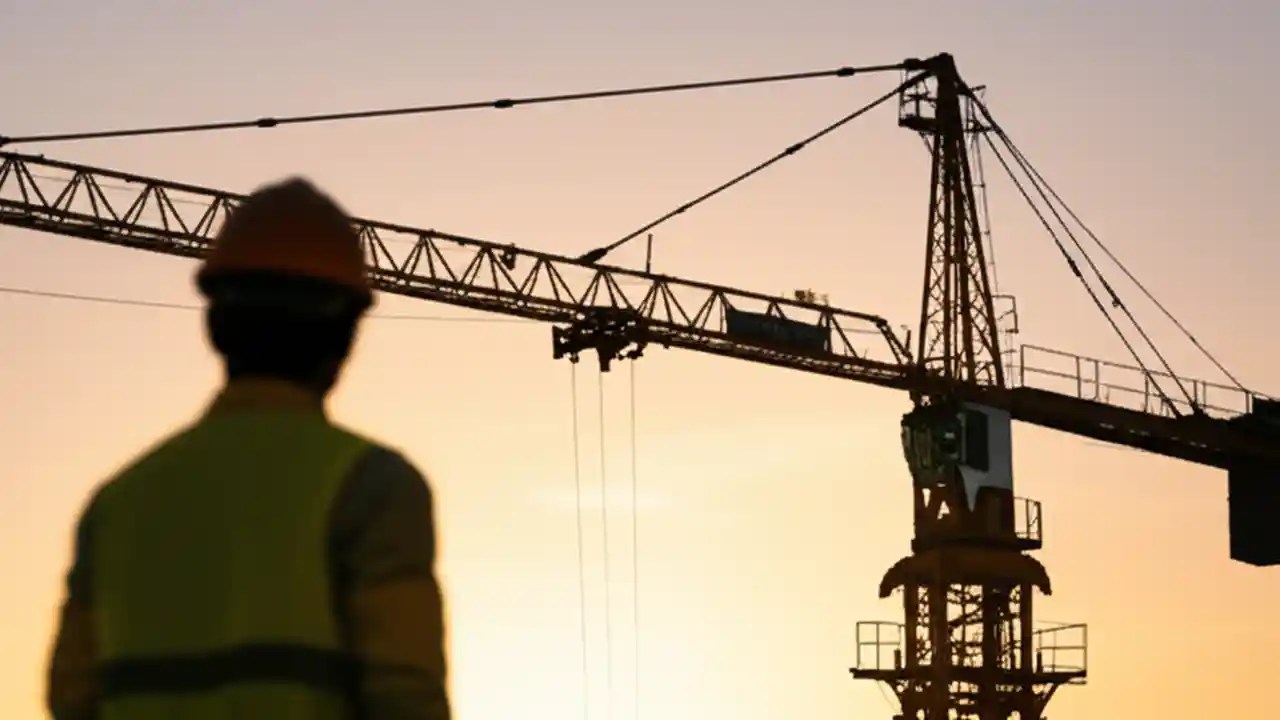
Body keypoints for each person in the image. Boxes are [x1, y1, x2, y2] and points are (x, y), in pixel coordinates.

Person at [45, 178, 451, 720]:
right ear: (346, 336)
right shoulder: (374, 486)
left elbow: (71, 699)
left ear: (215, 325)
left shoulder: (117, 502)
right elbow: (406, 697)